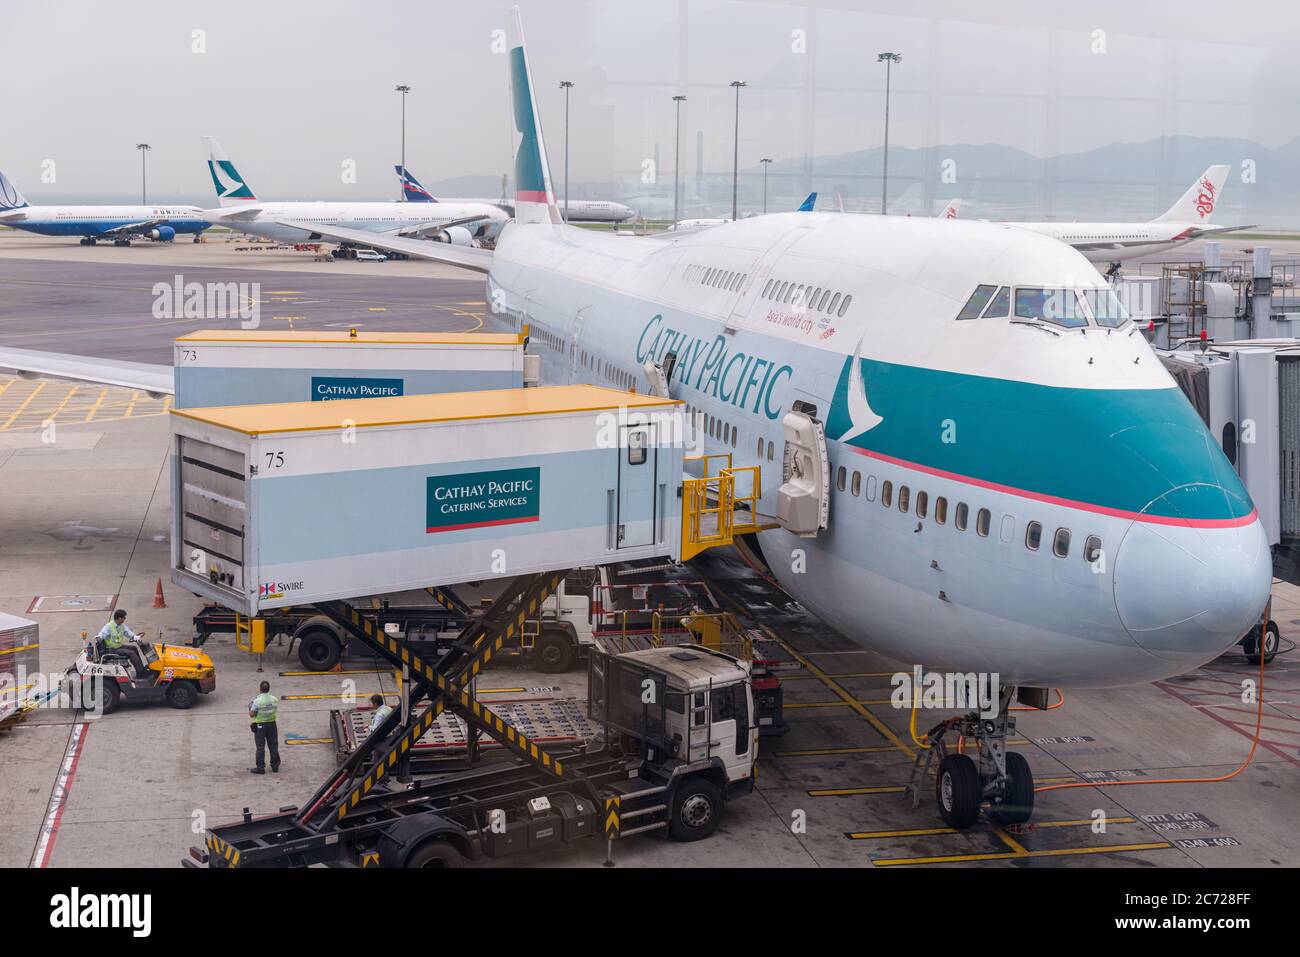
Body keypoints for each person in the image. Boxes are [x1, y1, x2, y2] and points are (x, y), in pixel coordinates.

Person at [97, 609, 145, 674]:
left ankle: (141, 668)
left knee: (134, 648)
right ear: (119, 618)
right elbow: (101, 635)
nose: (125, 619)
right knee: (131, 653)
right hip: (111, 649)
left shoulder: (121, 626)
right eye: (124, 617)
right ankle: (141, 672)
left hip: (118, 646)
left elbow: (128, 633)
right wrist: (99, 639)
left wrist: (135, 637)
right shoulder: (109, 626)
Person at [248, 680, 280, 774]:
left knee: (260, 747)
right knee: (273, 745)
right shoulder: (274, 699)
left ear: (260, 689)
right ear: (269, 688)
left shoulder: (257, 701)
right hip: (272, 725)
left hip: (260, 726)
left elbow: (252, 715)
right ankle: (275, 766)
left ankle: (260, 768)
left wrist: (250, 707)